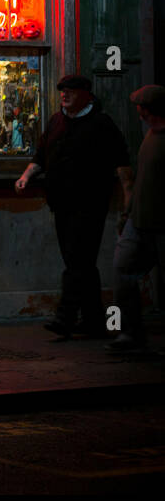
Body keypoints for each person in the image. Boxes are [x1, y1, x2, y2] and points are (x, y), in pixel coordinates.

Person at [15, 75, 132, 338]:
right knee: (80, 262)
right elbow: (41, 156)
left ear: (86, 96)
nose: (64, 96)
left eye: (70, 92)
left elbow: (122, 161)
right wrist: (25, 176)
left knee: (77, 260)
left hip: (89, 205)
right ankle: (93, 320)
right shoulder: (57, 120)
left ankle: (65, 317)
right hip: (61, 204)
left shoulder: (101, 124)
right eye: (62, 92)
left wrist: (128, 199)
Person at [107, 85, 165, 352]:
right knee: (122, 270)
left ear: (148, 110)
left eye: (140, 108)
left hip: (160, 223)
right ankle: (130, 332)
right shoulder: (149, 135)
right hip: (138, 220)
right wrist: (128, 212)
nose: (137, 113)